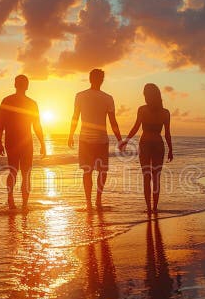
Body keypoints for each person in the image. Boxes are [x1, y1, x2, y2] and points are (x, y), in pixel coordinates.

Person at [68, 69, 123, 210]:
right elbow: (113, 122)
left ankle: (89, 203)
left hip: (87, 140)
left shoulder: (80, 96)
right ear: (101, 80)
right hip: (100, 140)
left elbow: (75, 117)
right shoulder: (107, 98)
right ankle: (97, 200)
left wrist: (70, 135)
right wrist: (120, 140)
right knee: (102, 171)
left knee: (88, 171)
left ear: (90, 79)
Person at [119, 83, 173, 214]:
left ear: (148, 96)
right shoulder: (165, 113)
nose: (144, 98)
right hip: (158, 145)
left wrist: (125, 141)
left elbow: (136, 127)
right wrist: (171, 149)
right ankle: (154, 208)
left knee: (146, 177)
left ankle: (149, 208)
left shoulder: (142, 110)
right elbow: (167, 134)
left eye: (145, 95)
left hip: (145, 145)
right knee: (156, 177)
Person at [0, 75, 46, 209]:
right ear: (27, 86)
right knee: (26, 173)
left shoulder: (6, 100)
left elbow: (0, 123)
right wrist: (42, 143)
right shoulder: (32, 103)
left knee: (13, 170)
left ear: (15, 85)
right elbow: (37, 126)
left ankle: (10, 198)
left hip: (11, 141)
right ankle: (24, 204)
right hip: (26, 142)